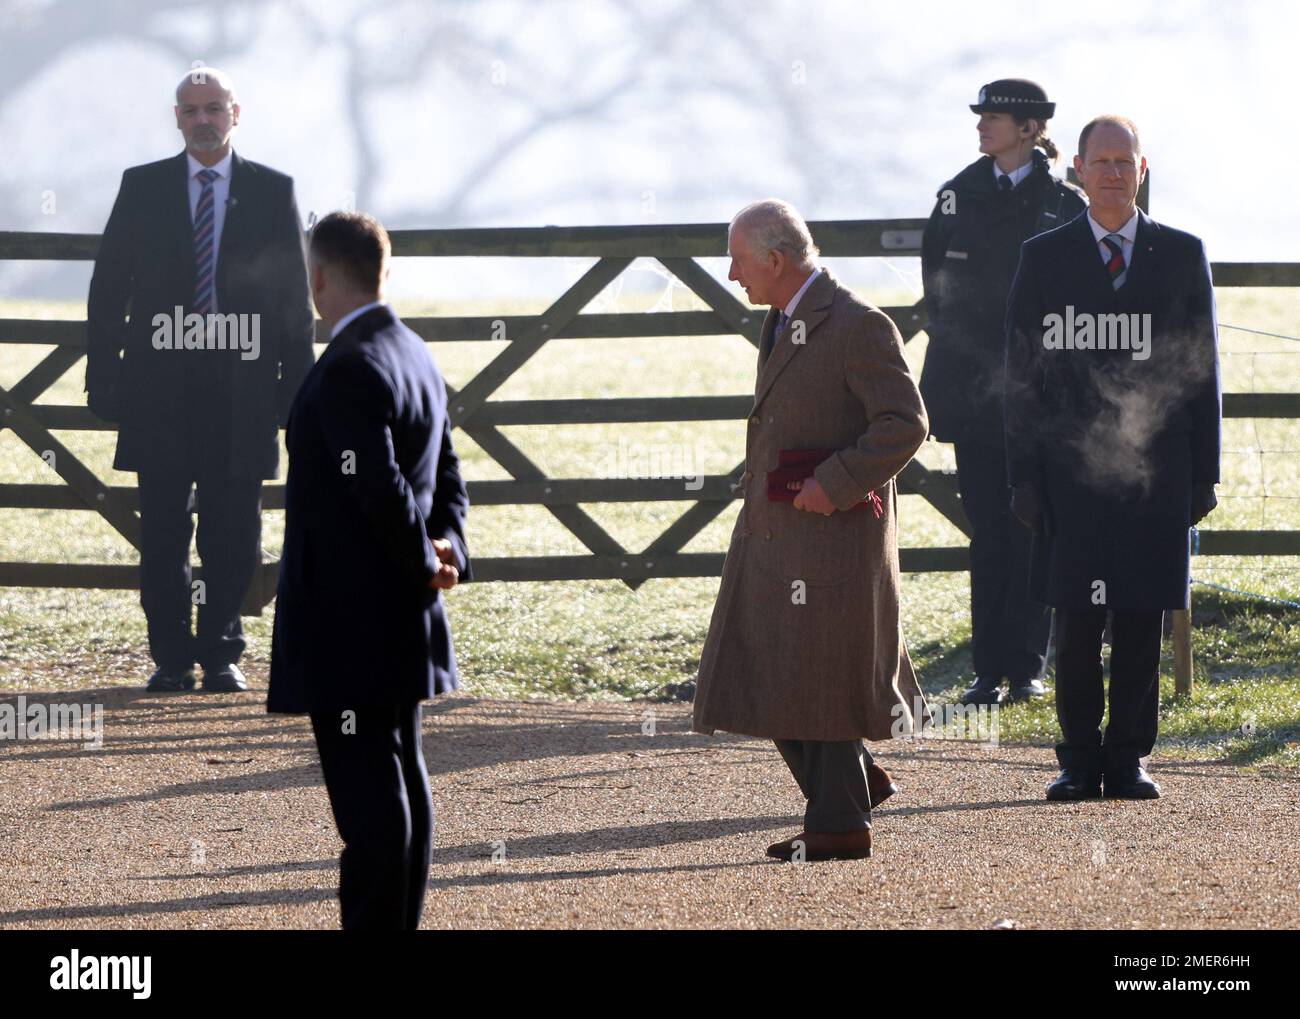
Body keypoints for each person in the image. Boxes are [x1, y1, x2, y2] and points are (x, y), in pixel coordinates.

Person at [693, 199, 929, 862]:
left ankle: (839, 823)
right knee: (762, 661)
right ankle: (852, 783)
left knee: (816, 672)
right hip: (777, 534)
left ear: (774, 259)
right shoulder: (781, 319)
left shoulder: (858, 325)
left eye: (738, 258)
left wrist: (839, 479)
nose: (731, 272)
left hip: (833, 539)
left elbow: (905, 423)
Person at [1004, 115, 1221, 801]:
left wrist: (1204, 474)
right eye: (1100, 161)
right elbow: (1021, 376)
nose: (1112, 173)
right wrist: (1025, 476)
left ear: (1142, 168)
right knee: (1075, 620)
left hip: (1156, 471)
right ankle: (1076, 759)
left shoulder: (1182, 255)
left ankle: (1127, 757)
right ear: (1077, 167)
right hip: (1070, 473)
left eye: (1124, 161)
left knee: (1139, 618)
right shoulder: (1043, 258)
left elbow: (1203, 371)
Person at [267, 212, 471, 929]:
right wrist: (447, 547)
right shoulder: (412, 349)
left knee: (370, 804)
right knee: (403, 779)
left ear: (319, 276)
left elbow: (377, 483)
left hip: (350, 616)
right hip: (400, 611)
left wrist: (425, 557)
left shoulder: (352, 363)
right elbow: (446, 470)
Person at [86, 67, 315, 693]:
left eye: (214, 108)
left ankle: (220, 653)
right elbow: (108, 290)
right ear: (177, 118)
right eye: (191, 110)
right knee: (162, 528)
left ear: (235, 114)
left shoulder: (273, 190)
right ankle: (169, 657)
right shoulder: (143, 187)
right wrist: (104, 376)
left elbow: (296, 303)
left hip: (243, 388)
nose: (203, 119)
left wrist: (300, 396)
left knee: (235, 530)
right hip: (159, 388)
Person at [920, 78, 1085, 706]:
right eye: (982, 115)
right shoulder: (957, 196)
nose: (983, 125)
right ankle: (989, 669)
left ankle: (1031, 666)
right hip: (975, 392)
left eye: (995, 116)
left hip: (1045, 397)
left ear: (1030, 127)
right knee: (988, 530)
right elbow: (937, 292)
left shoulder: (1061, 203)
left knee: (1038, 524)